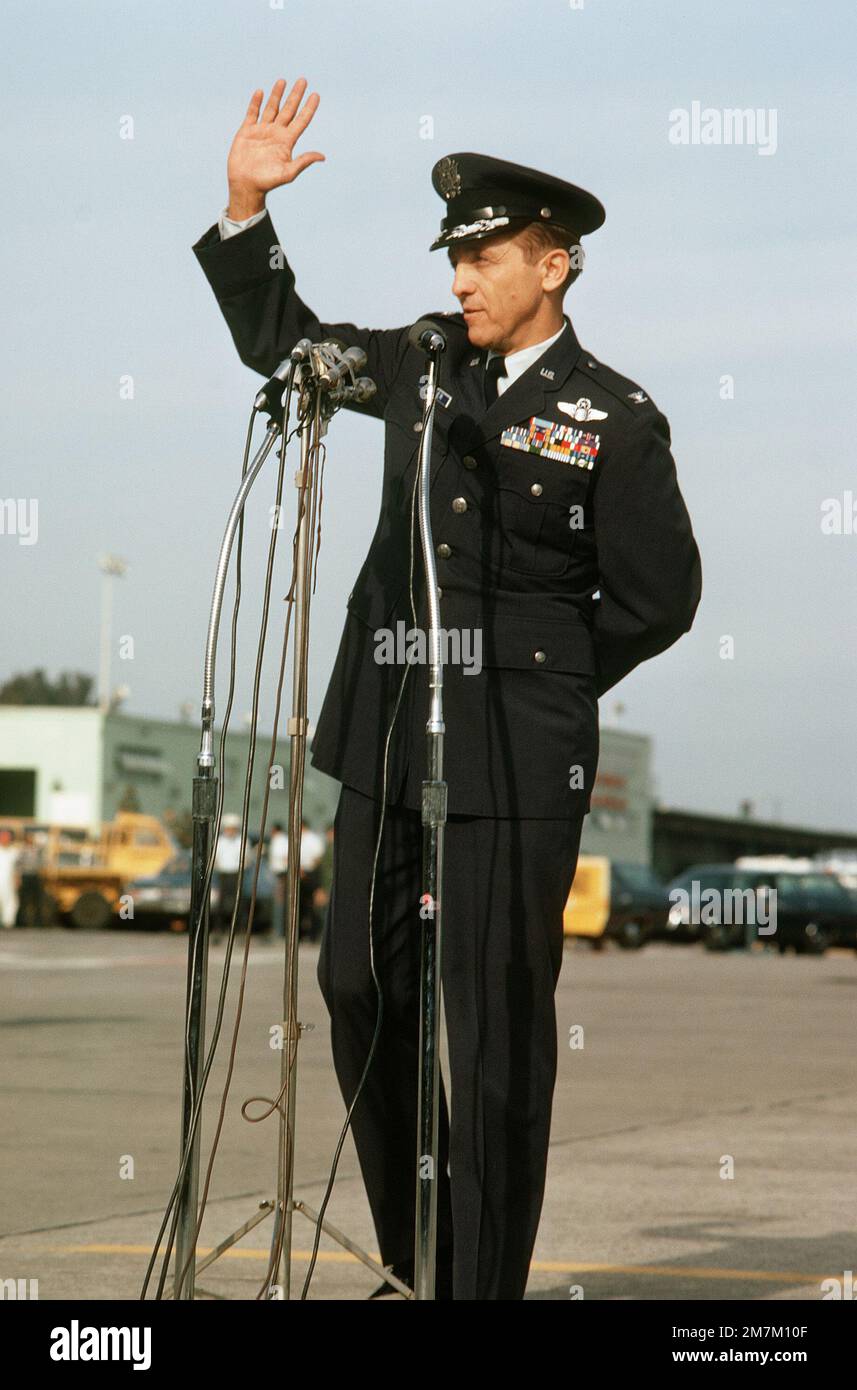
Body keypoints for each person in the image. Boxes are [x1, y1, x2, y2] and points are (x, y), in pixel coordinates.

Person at [193, 78, 701, 1300]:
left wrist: (533, 684)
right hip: (384, 742)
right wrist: (245, 207)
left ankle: (477, 1288)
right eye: (455, 258)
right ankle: (420, 1261)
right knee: (356, 984)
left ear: (555, 265)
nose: (463, 278)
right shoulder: (421, 366)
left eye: (484, 257)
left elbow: (657, 599)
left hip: (517, 764)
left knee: (491, 1031)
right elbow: (283, 342)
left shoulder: (610, 419)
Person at [213, 814, 242, 939]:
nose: (230, 831)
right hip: (223, 875)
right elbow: (216, 858)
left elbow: (246, 858)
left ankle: (238, 930)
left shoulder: (240, 841)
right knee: (221, 904)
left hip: (236, 875)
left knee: (238, 903)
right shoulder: (220, 841)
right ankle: (219, 930)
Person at [268, 821, 289, 939]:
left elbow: (285, 857)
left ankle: (278, 931)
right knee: (278, 903)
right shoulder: (280, 840)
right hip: (279, 874)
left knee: (279, 904)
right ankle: (278, 930)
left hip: (281, 874)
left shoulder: (280, 840)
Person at [0, 829, 21, 930]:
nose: (4, 839)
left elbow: (16, 867)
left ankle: (8, 922)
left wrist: (17, 878)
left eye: (6, 837)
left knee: (10, 902)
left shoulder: (14, 851)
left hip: (8, 881)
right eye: (2, 836)